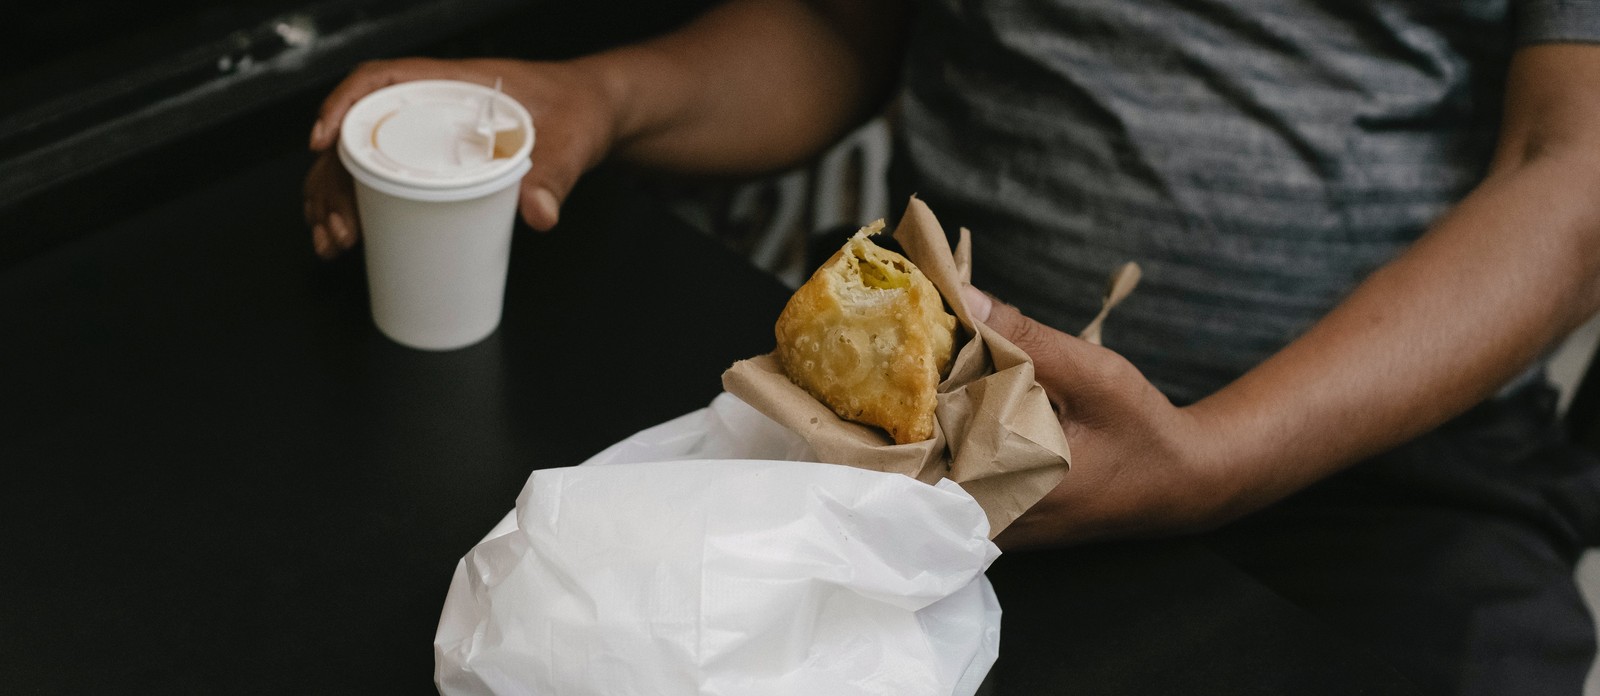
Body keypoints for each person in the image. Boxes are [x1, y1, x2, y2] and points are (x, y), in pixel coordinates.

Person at [304, 1, 1600, 692]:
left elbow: (1574, 162)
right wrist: (603, 97)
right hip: (936, 434)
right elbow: (833, 30)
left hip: (1387, 478)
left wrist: (1219, 458)